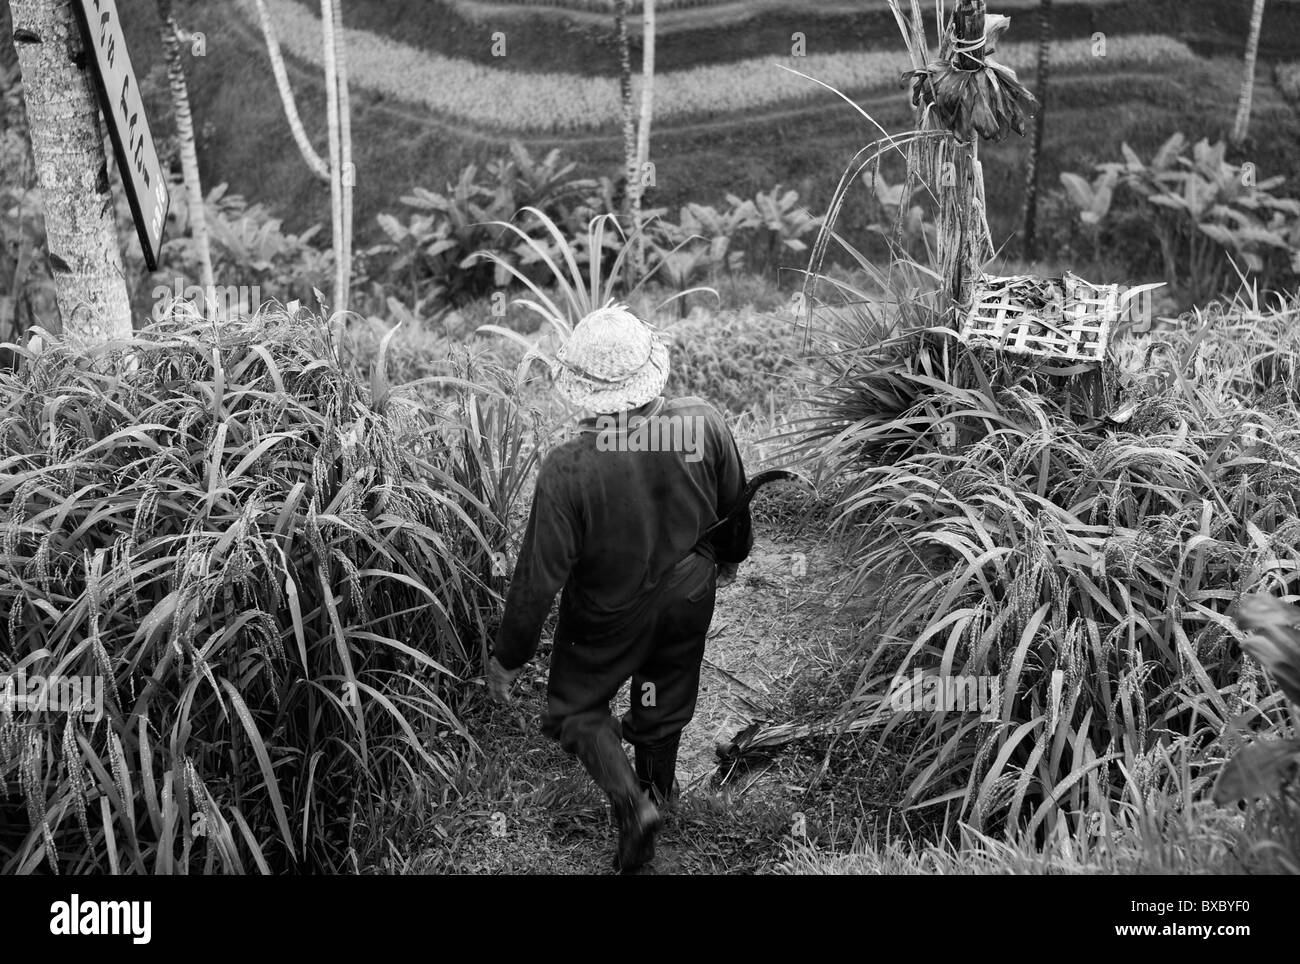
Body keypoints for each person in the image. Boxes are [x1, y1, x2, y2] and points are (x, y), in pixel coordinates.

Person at [485, 304, 753, 873]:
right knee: (662, 690)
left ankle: (634, 809)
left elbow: (538, 579)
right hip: (687, 595)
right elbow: (736, 506)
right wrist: (728, 559)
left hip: (607, 613)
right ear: (651, 374)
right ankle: (659, 792)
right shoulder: (700, 422)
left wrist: (509, 657)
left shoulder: (568, 468)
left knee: (578, 707)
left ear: (581, 392)